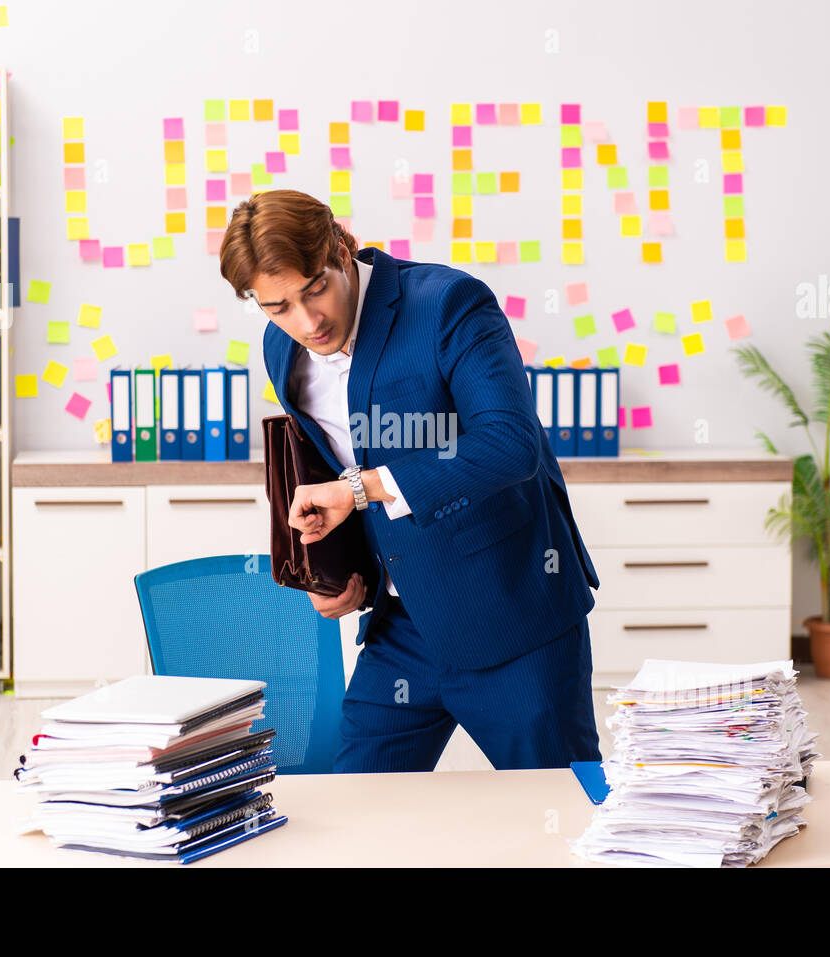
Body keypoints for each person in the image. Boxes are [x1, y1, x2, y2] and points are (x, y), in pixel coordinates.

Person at [218, 189, 601, 772]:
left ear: (343, 250)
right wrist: (344, 576)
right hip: (401, 626)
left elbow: (508, 444)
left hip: (512, 617)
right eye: (279, 306)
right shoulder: (282, 349)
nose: (307, 320)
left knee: (560, 808)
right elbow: (334, 466)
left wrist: (358, 490)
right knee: (355, 808)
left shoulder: (449, 304)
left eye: (315, 288)